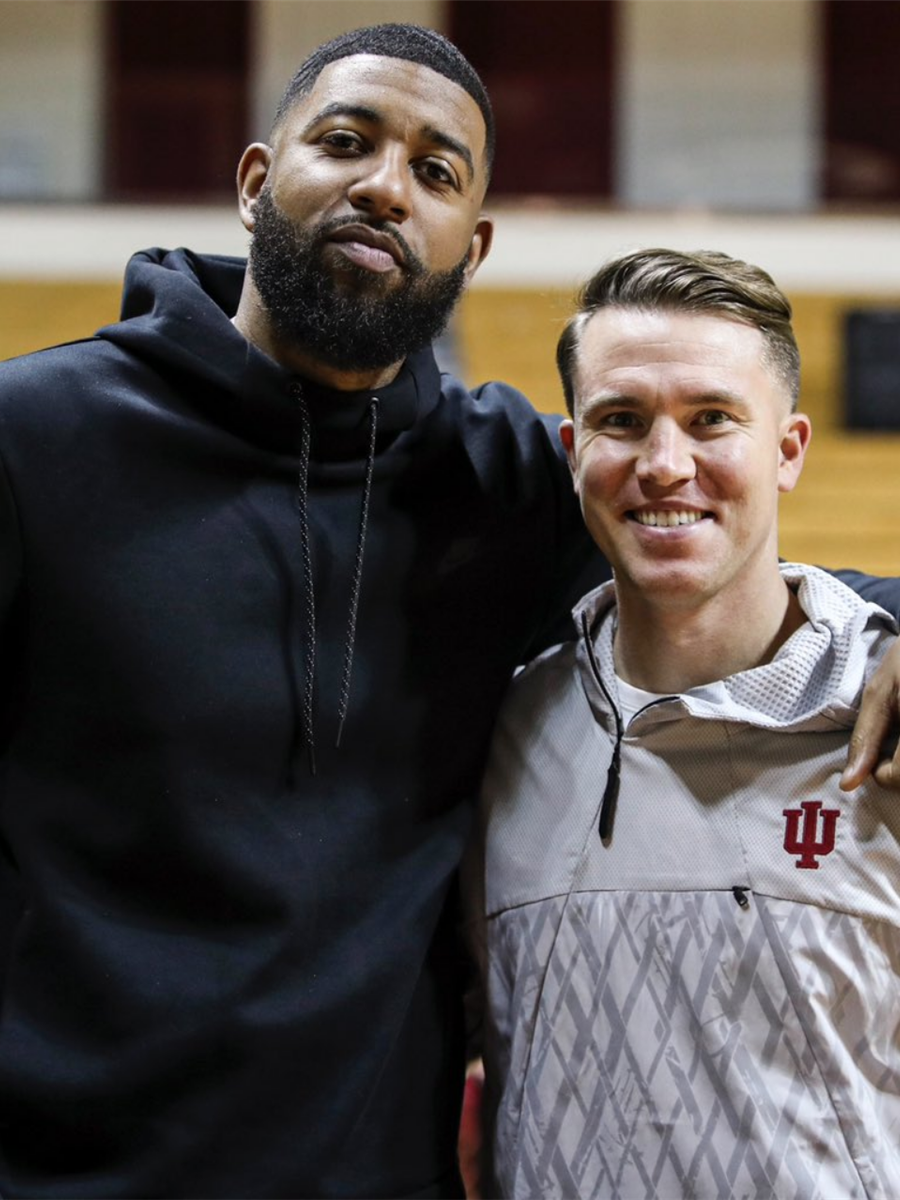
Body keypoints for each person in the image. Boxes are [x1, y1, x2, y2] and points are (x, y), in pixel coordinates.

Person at [0, 25, 895, 1200]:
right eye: (347, 142)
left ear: (469, 249)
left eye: (435, 171)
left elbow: (718, 554)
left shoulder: (504, 478)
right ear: (259, 180)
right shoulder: (35, 439)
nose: (385, 186)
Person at [474, 249, 900, 1200]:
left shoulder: (884, 711)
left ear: (788, 450)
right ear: (571, 447)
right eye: (622, 422)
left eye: (712, 419)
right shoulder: (504, 731)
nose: (665, 466)